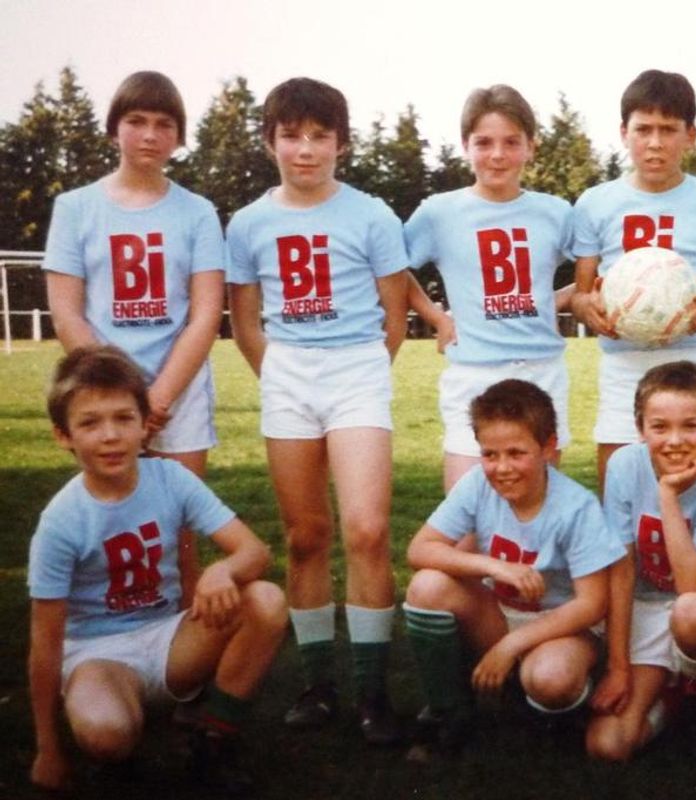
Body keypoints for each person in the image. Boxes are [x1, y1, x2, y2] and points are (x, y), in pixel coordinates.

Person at [225, 77, 410, 744]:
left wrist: (362, 373)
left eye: (319, 136)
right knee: (305, 535)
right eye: (291, 136)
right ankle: (316, 685)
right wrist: (278, 373)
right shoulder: (247, 223)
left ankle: (371, 692)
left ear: (341, 142)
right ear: (270, 141)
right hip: (288, 374)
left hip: (357, 367)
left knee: (365, 529)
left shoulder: (371, 214)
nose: (305, 150)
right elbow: (244, 320)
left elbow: (395, 313)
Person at [27, 346, 286, 794]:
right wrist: (48, 749)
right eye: (90, 422)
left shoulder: (171, 478)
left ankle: (214, 739)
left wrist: (222, 571)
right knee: (108, 736)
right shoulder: (61, 520)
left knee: (265, 599)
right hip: (98, 653)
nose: (110, 435)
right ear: (63, 435)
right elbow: (44, 645)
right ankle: (116, 722)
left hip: (170, 638)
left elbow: (254, 551)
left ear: (145, 424)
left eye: (123, 418)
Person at [42, 70, 225, 603]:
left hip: (179, 390)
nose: (150, 135)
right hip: (104, 395)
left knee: (180, 529)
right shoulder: (75, 208)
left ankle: (185, 646)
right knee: (113, 522)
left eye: (164, 124)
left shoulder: (197, 212)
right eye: (136, 121)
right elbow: (67, 313)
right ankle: (110, 635)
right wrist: (124, 397)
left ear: (178, 136)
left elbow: (206, 312)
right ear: (114, 129)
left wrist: (160, 396)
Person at [403, 379, 625, 750]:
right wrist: (492, 566)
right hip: (502, 611)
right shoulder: (477, 484)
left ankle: (556, 712)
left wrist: (512, 646)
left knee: (551, 679)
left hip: (564, 626)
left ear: (549, 447)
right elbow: (420, 549)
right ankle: (449, 707)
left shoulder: (576, 506)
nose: (502, 467)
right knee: (427, 586)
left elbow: (592, 603)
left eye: (516, 453)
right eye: (490, 454)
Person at [570, 69, 696, 494]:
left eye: (668, 130)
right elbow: (582, 294)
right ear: (623, 132)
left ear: (690, 135)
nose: (655, 142)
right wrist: (587, 308)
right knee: (620, 494)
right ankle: (626, 564)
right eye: (643, 129)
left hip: (694, 360)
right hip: (624, 361)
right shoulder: (595, 203)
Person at [404, 85, 574, 492]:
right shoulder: (438, 213)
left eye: (511, 142)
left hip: (542, 372)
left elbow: (592, 273)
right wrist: (435, 317)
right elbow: (390, 269)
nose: (497, 154)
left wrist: (553, 304)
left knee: (539, 510)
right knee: (464, 515)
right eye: (484, 142)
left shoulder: (556, 212)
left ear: (531, 146)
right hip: (473, 373)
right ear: (465, 145)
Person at [586, 361, 696, 761]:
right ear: (640, 429)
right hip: (647, 601)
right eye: (660, 427)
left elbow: (692, 584)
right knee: (608, 745)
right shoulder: (623, 465)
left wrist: (669, 496)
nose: (675, 440)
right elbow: (621, 573)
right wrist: (619, 666)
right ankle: (670, 700)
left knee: (691, 612)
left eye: (690, 426)